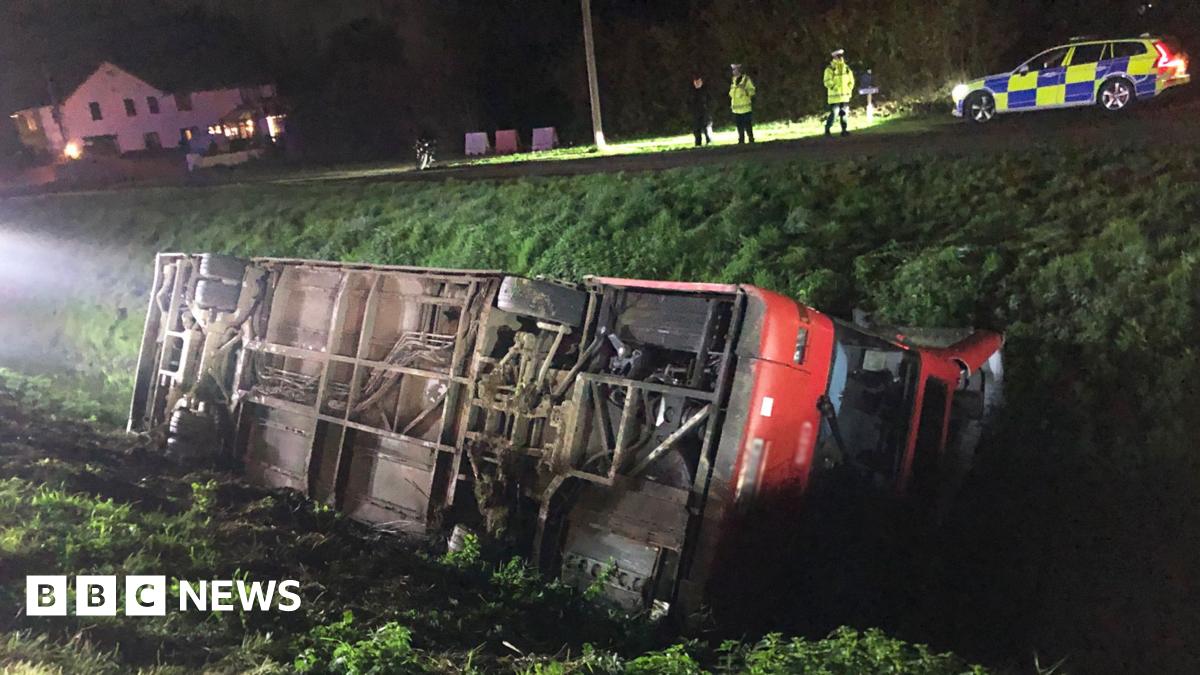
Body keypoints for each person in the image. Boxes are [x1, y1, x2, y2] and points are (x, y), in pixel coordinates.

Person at [823, 49, 855, 137]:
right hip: (834, 97)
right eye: (839, 56)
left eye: (841, 56)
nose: (841, 58)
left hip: (845, 96)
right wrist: (835, 88)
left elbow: (851, 80)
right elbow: (827, 81)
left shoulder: (847, 68)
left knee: (844, 114)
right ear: (834, 57)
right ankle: (827, 129)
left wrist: (849, 88)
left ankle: (844, 131)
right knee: (834, 114)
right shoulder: (830, 69)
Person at [729, 63, 756, 144]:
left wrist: (745, 91)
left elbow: (752, 91)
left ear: (739, 70)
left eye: (735, 69)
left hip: (745, 107)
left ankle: (751, 139)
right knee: (739, 126)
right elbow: (731, 93)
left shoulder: (746, 79)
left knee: (748, 125)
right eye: (733, 69)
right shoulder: (733, 80)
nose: (733, 71)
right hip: (736, 108)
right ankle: (741, 140)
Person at [689, 76, 712, 147]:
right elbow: (689, 102)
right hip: (696, 113)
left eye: (698, 81)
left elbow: (710, 101)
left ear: (701, 82)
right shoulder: (692, 92)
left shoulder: (705, 91)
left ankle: (709, 141)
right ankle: (698, 143)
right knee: (696, 129)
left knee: (706, 127)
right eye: (696, 82)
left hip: (705, 112)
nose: (697, 83)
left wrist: (709, 109)